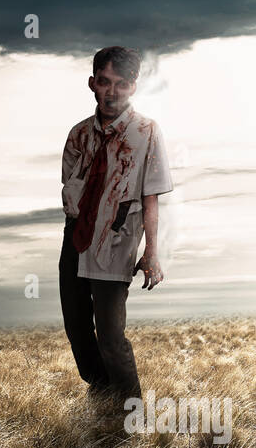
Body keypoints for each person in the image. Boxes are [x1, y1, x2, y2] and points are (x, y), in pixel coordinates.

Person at [58, 45, 173, 407]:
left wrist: (152, 252)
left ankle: (130, 409)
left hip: (117, 240)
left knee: (110, 334)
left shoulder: (146, 132)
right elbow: (71, 188)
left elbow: (152, 195)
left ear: (134, 86)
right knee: (77, 328)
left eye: (121, 84)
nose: (112, 92)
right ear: (92, 83)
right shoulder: (79, 134)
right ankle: (101, 389)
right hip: (77, 237)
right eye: (105, 82)